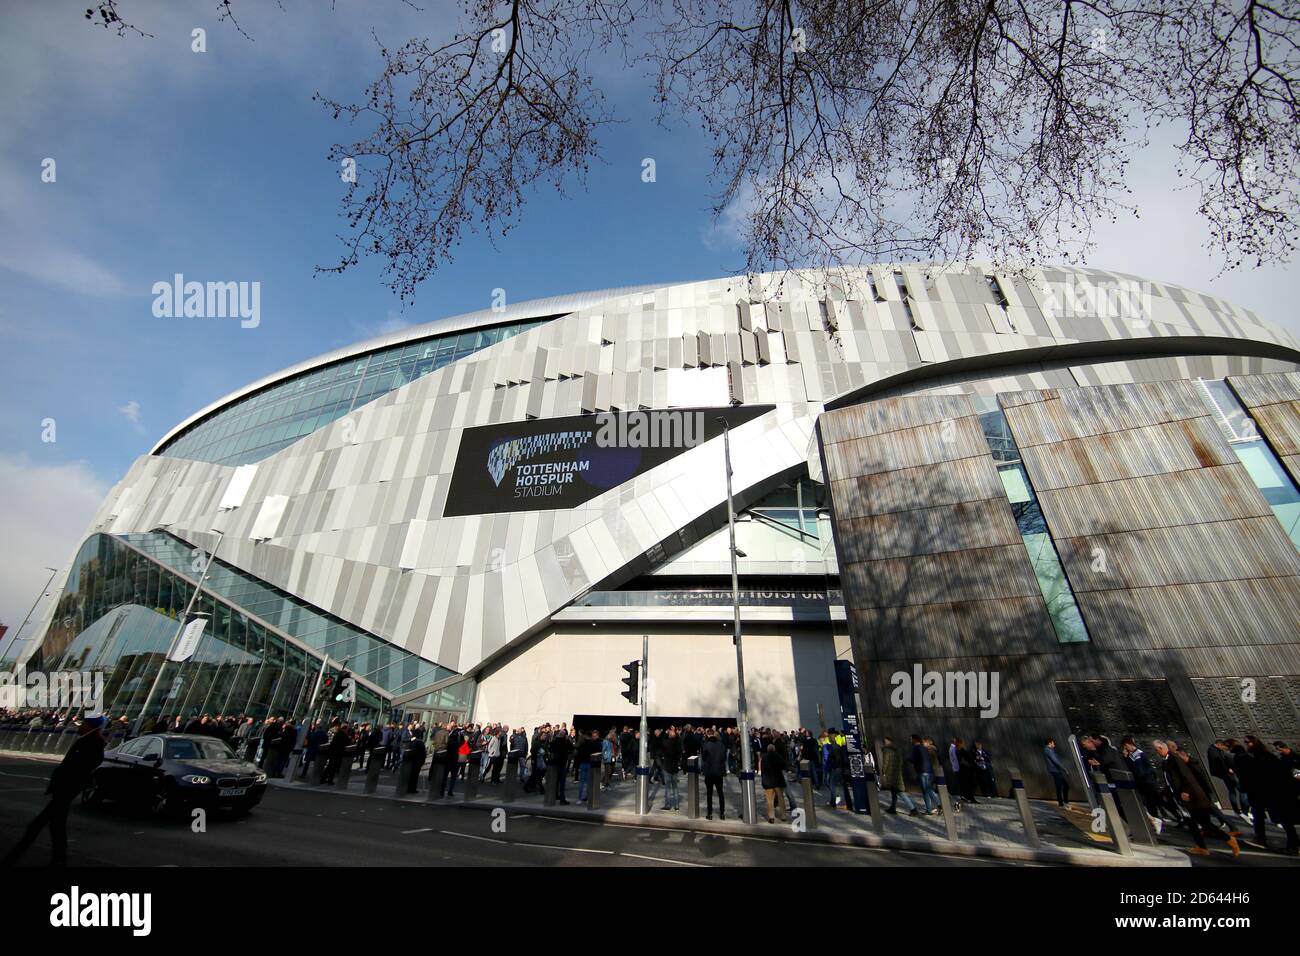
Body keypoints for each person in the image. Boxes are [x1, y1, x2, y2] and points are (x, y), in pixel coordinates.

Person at [3, 716, 107, 867]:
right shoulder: (88, 741)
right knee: (56, 824)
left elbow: (79, 767)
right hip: (65, 788)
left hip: (67, 788)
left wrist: (65, 783)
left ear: (90, 726)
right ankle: (59, 858)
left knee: (40, 823)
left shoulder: (93, 743)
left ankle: (16, 855)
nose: (80, 726)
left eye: (83, 724)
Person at [1157, 740, 1239, 857]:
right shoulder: (1169, 761)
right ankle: (1202, 847)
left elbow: (1193, 780)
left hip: (1196, 797)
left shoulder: (1180, 761)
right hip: (1187, 798)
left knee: (1205, 823)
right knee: (1193, 823)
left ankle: (1229, 839)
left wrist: (1188, 792)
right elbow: (1173, 780)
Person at [880, 736, 919, 816]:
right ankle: (893, 808)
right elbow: (901, 762)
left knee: (900, 792)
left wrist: (883, 771)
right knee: (894, 791)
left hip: (891, 774)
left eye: (885, 741)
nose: (885, 742)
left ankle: (913, 809)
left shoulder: (886, 750)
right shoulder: (897, 750)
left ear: (887, 742)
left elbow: (886, 762)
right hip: (897, 773)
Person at [701, 729, 727, 820]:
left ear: (708, 735)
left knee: (709, 793)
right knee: (720, 793)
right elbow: (724, 757)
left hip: (709, 772)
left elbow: (703, 757)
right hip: (719, 772)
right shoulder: (721, 744)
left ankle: (710, 813)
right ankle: (722, 813)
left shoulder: (706, 744)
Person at [760, 742, 787, 823]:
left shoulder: (764, 757)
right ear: (774, 749)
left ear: (767, 750)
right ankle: (783, 816)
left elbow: (763, 770)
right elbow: (783, 766)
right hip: (778, 780)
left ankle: (771, 817)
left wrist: (763, 779)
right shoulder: (778, 756)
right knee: (781, 798)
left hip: (768, 781)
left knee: (769, 800)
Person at [911, 734, 938, 814]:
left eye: (924, 742)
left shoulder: (928, 750)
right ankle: (936, 806)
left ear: (928, 742)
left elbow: (932, 762)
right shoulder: (927, 749)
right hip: (930, 772)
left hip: (926, 772)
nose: (923, 744)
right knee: (929, 790)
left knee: (927, 791)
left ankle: (936, 806)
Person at [659, 727, 682, 810]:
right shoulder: (677, 744)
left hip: (667, 766)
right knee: (675, 787)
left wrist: (665, 732)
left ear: (669, 736)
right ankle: (676, 805)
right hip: (675, 767)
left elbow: (661, 740)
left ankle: (668, 804)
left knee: (668, 787)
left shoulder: (666, 743)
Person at [1042, 738, 1070, 806]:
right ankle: (1062, 803)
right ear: (1050, 743)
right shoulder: (1048, 750)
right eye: (1053, 743)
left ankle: (1063, 802)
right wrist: (1064, 769)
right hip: (1055, 770)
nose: (1054, 745)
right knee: (1060, 787)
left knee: (1063, 786)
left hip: (1055, 770)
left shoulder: (1049, 750)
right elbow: (1055, 761)